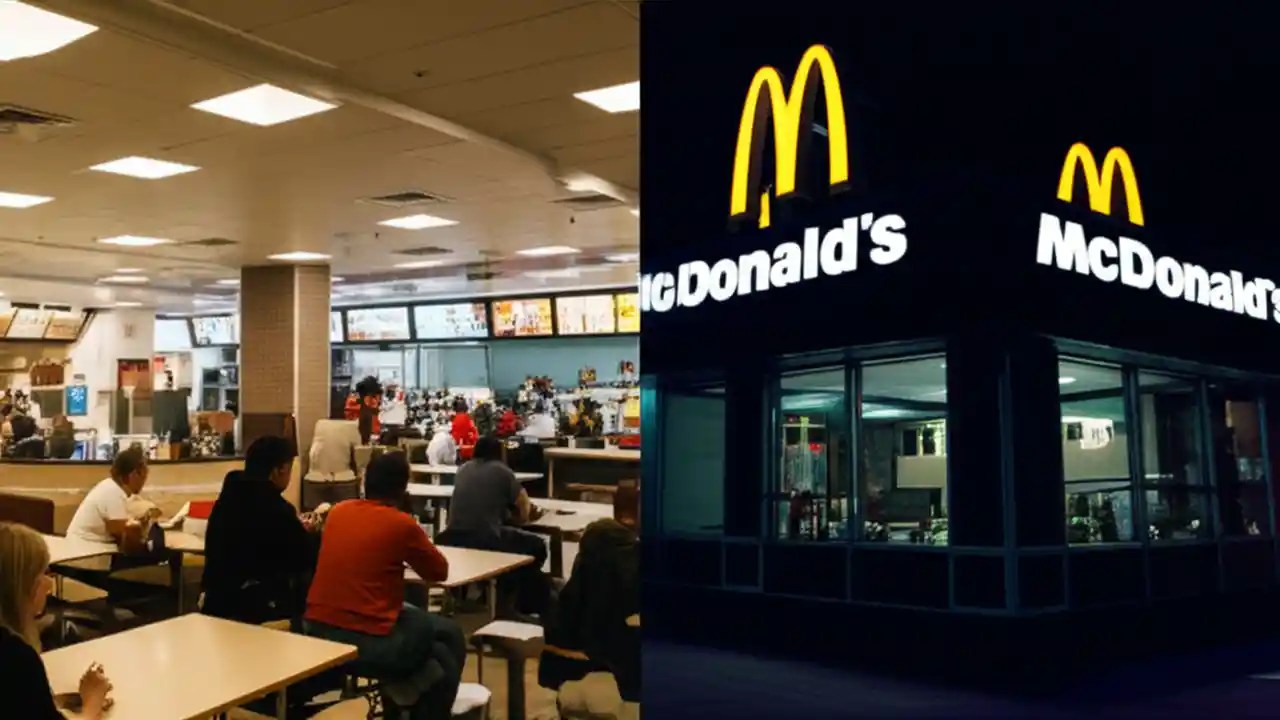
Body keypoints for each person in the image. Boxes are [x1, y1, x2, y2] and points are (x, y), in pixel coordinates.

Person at [305, 453, 464, 720]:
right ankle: (415, 706)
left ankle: (404, 702)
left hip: (316, 626)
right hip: (364, 637)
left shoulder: (338, 512)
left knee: (435, 643)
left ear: (366, 481)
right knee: (444, 639)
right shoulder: (401, 524)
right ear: (403, 487)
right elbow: (439, 571)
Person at [0, 522, 114, 719]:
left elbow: (18, 704)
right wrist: (92, 703)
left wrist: (66, 700)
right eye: (43, 574)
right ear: (23, 586)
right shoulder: (15, 658)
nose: (49, 583)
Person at [202, 435, 319, 624]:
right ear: (277, 470)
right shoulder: (276, 509)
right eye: (288, 469)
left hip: (215, 603)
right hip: (256, 609)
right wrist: (311, 533)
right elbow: (302, 558)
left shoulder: (228, 499)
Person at [438, 435, 550, 618]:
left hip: (451, 537)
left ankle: (476, 597)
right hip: (484, 538)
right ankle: (508, 603)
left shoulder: (463, 469)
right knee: (535, 546)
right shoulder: (502, 471)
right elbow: (525, 511)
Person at [539, 518, 640, 709]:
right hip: (626, 660)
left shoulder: (585, 575)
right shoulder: (633, 574)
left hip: (581, 656)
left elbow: (562, 622)